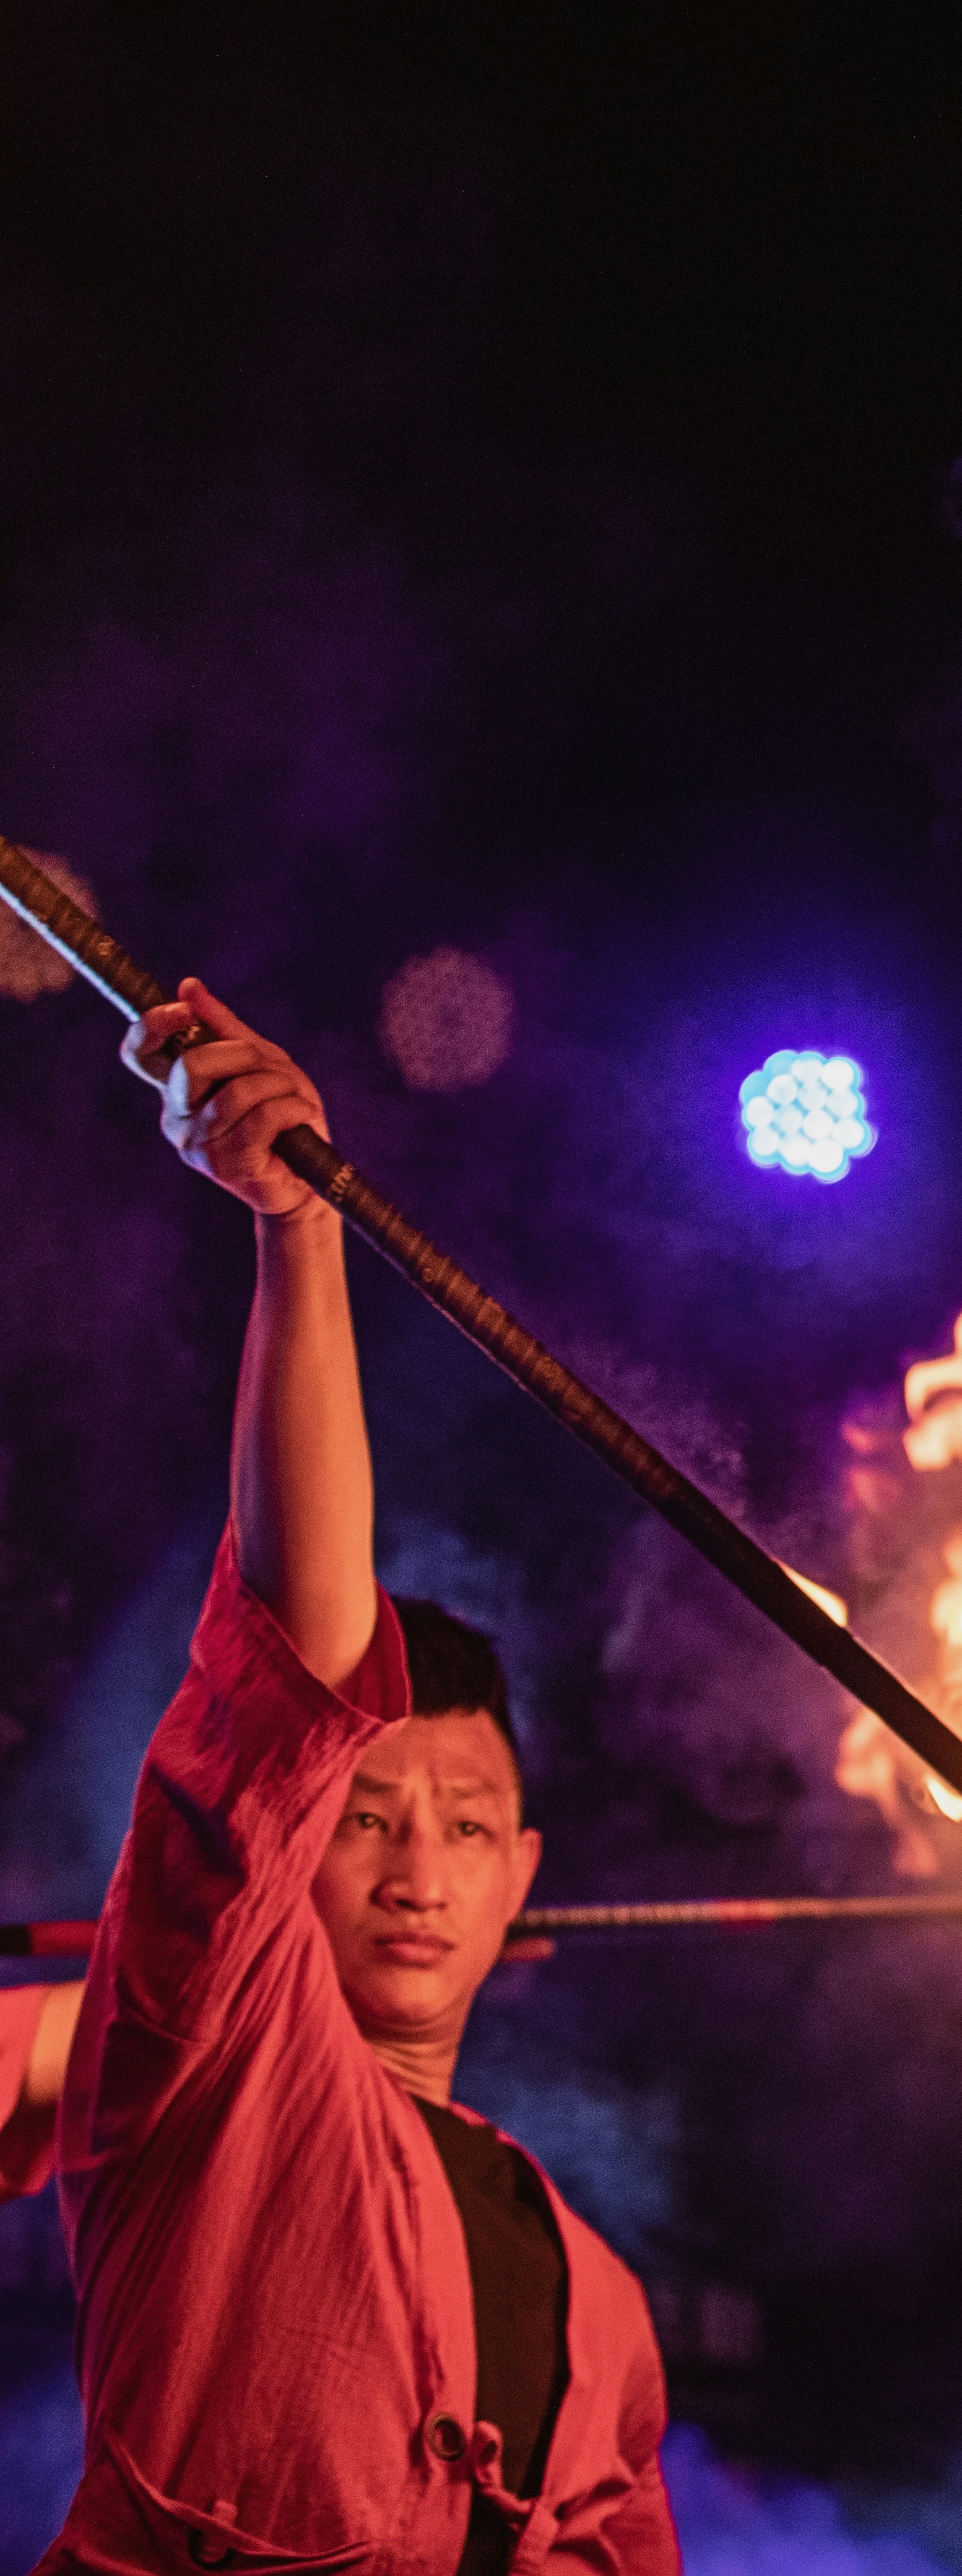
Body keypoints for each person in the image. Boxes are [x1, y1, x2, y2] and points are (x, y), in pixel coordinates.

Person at [35, 981, 676, 2574]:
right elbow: (305, 1648)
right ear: (294, 1832)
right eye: (369, 1816)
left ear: (522, 1878)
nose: (418, 1869)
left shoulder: (603, 2303)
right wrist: (298, 1231)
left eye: (466, 1828)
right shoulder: (204, 2053)